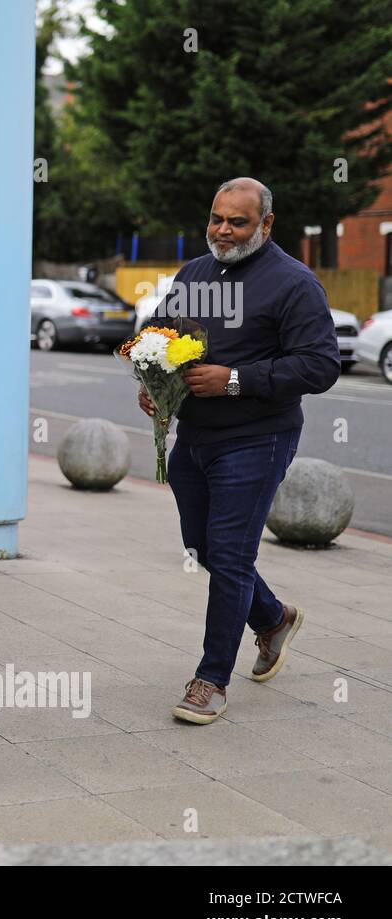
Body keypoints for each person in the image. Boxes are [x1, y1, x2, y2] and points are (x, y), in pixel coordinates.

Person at [139, 177, 340, 725]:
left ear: (266, 225)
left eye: (238, 222)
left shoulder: (294, 284)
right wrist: (155, 380)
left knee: (229, 555)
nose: (223, 230)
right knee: (202, 547)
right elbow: (155, 331)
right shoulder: (195, 274)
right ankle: (273, 619)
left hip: (258, 437)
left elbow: (321, 365)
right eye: (217, 218)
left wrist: (235, 380)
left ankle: (210, 680)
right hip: (194, 437)